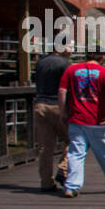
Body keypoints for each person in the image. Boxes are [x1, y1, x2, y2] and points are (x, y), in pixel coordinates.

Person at [58, 49, 105, 197]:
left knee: (76, 153)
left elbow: (62, 91)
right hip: (98, 120)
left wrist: (63, 111)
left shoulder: (72, 70)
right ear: (102, 57)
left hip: (76, 118)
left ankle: (71, 186)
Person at [32, 50, 70, 192]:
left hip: (40, 106)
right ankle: (63, 168)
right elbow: (68, 88)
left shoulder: (40, 63)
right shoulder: (65, 64)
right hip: (57, 106)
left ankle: (46, 182)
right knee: (75, 140)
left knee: (45, 148)